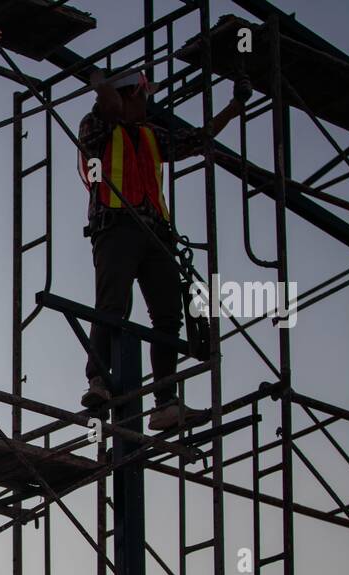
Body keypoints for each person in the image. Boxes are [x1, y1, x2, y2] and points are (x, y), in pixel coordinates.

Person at [77, 67, 250, 431]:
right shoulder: (97, 127)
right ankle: (98, 380)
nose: (147, 103)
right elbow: (107, 106)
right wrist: (103, 84)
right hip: (116, 228)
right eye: (142, 95)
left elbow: (197, 139)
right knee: (112, 305)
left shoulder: (151, 136)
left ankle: (165, 402)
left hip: (156, 236)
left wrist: (234, 107)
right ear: (126, 96)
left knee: (168, 316)